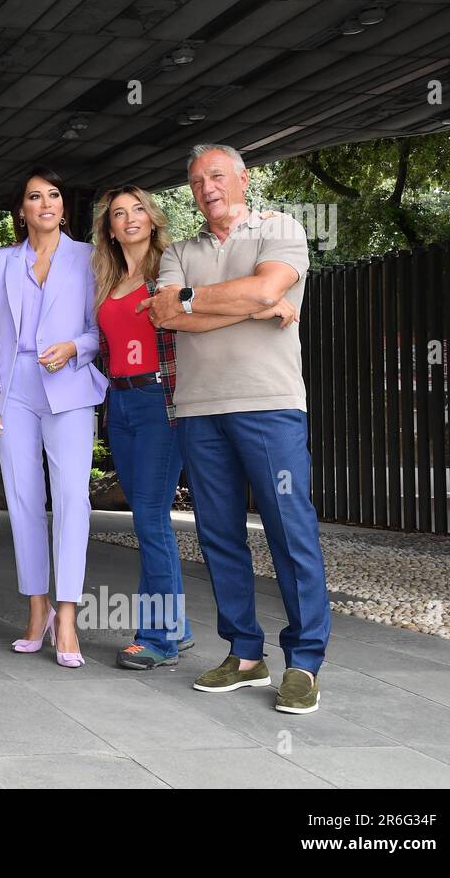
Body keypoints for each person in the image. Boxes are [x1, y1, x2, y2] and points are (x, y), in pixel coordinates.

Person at [144, 142, 327, 714]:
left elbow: (264, 287)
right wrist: (249, 303)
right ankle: (245, 655)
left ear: (243, 179)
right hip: (198, 409)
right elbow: (167, 314)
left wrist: (213, 300)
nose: (208, 188)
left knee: (288, 529)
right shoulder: (177, 250)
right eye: (197, 181)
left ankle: (304, 661)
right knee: (219, 533)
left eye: (217, 176)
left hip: (269, 403)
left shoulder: (280, 230)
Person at [0, 167, 106, 668]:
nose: (45, 203)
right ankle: (38, 610)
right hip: (13, 391)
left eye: (53, 195)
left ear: (63, 208)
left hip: (69, 386)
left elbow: (102, 330)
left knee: (73, 498)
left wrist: (75, 346)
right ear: (22, 210)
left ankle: (68, 615)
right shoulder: (2, 263)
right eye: (35, 196)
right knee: (25, 502)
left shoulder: (90, 259)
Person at [90, 185, 194, 669]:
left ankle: (158, 638)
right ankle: (180, 625)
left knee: (151, 520)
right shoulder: (107, 279)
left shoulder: (170, 269)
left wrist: (268, 304)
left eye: (137, 210)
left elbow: (206, 307)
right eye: (118, 214)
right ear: (108, 228)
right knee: (146, 518)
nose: (128, 219)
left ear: (152, 219)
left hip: (160, 401)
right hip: (121, 401)